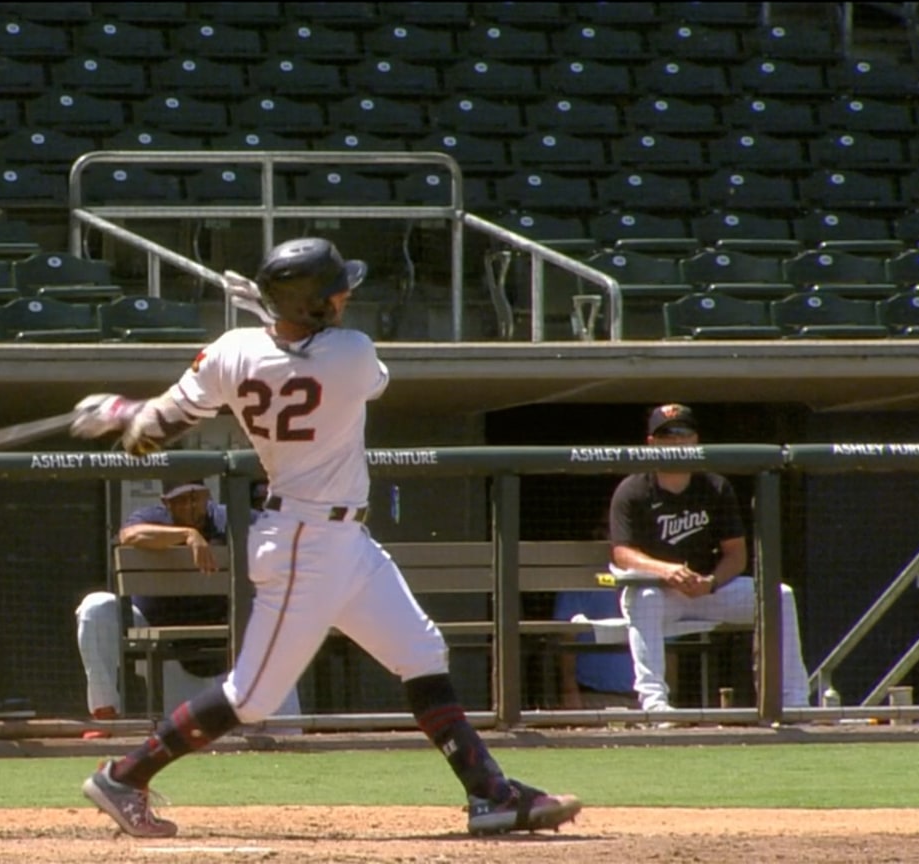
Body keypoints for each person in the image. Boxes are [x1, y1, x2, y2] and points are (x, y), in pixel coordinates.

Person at [69, 237, 581, 838]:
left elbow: (149, 436)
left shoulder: (233, 352)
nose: (347, 297)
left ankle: (490, 794)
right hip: (305, 544)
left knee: (421, 651)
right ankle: (123, 776)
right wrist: (283, 327)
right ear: (318, 307)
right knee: (252, 697)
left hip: (345, 544)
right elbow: (353, 371)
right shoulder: (353, 355)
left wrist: (122, 412)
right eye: (337, 293)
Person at [611, 404, 811, 714]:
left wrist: (713, 581)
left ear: (696, 440)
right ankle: (655, 705)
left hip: (707, 590)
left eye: (683, 433)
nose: (677, 441)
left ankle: (794, 702)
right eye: (668, 434)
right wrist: (666, 571)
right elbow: (622, 553)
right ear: (652, 443)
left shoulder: (715, 486)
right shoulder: (634, 489)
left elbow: (736, 553)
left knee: (779, 596)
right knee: (645, 597)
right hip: (662, 595)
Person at [76, 480, 302, 738]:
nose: (190, 505)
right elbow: (130, 535)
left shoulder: (226, 516)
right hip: (160, 635)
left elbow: (281, 532)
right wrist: (187, 535)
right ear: (167, 503)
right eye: (181, 500)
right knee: (95, 607)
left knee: (275, 631)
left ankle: (289, 733)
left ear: (207, 497)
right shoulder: (153, 517)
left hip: (225, 641)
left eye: (196, 498)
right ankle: (104, 715)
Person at [552, 590, 639, 710]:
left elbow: (666, 642)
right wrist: (569, 691)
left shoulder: (648, 588)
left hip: (641, 698)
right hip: (591, 697)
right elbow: (566, 637)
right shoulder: (579, 586)